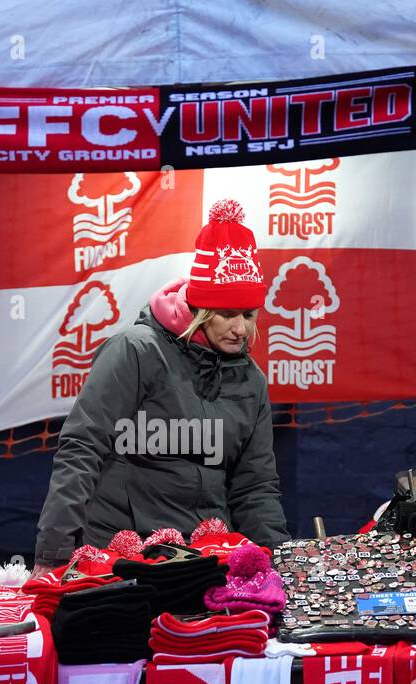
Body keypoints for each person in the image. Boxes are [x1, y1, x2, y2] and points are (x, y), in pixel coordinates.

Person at [33, 199, 290, 570]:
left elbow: (256, 486)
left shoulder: (250, 379)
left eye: (249, 315)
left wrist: (277, 562)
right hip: (124, 556)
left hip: (207, 556)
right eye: (228, 314)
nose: (242, 329)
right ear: (201, 310)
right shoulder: (135, 350)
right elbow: (82, 448)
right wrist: (52, 554)